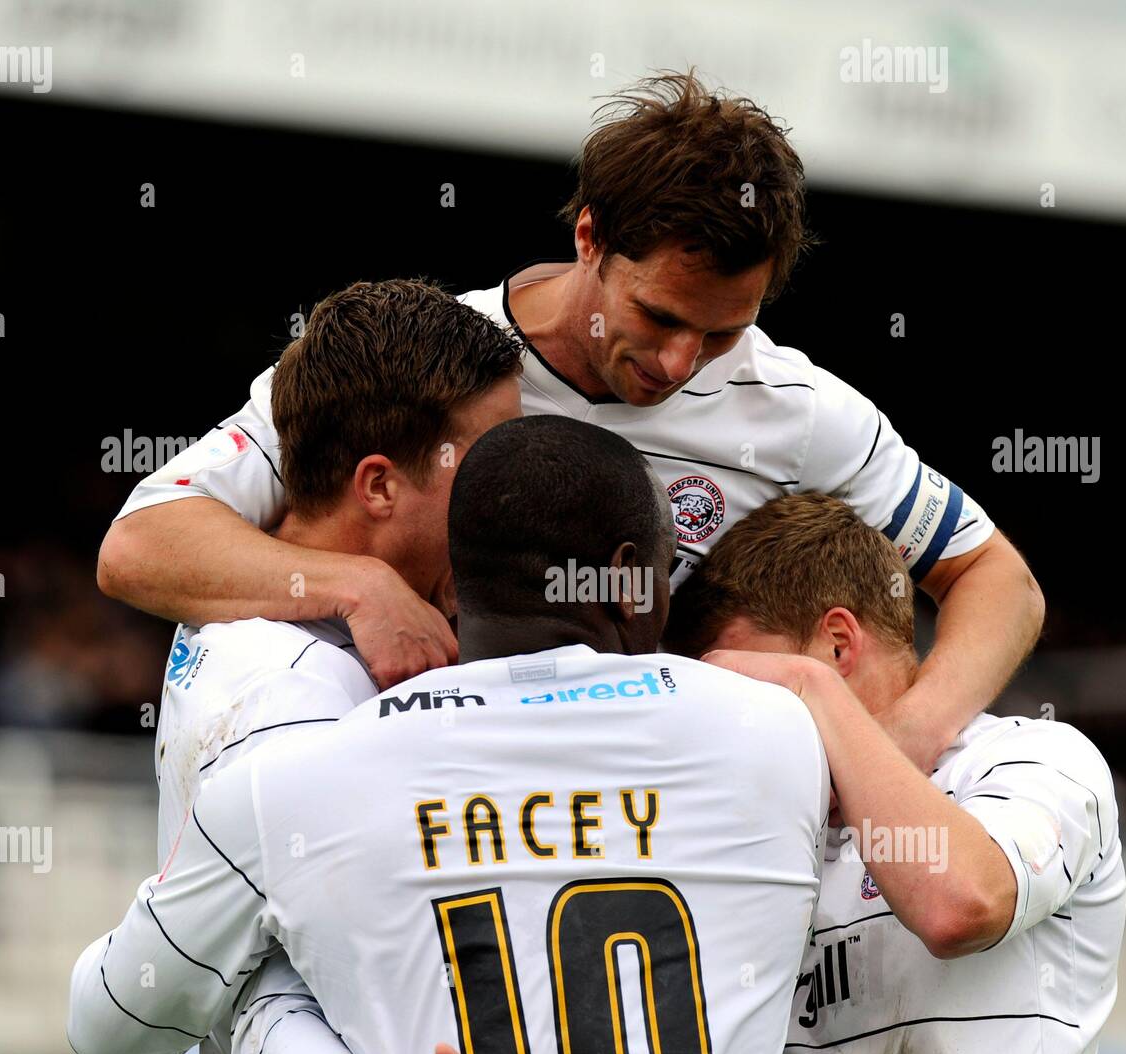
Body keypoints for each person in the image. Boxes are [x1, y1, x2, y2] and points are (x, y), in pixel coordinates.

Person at [95, 71, 1043, 773]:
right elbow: (141, 545)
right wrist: (355, 587)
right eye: (661, 318)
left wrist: (905, 739)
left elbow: (998, 579)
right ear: (590, 239)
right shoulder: (429, 361)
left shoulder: (796, 412)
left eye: (724, 331)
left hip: (640, 832)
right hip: (418, 809)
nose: (680, 365)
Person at [70, 416, 831, 1054]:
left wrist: (255, 970)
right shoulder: (778, 734)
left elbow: (110, 1031)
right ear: (629, 578)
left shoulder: (288, 785)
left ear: (450, 579)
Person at [69, 280, 613, 1054]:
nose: (510, 494)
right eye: (486, 464)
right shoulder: (287, 699)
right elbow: (201, 1010)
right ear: (378, 484)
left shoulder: (264, 595)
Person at [664, 492, 1126, 1054]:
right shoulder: (751, 817)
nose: (736, 717)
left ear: (838, 643)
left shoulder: (1035, 761)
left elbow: (958, 903)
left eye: (747, 680)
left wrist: (808, 689)